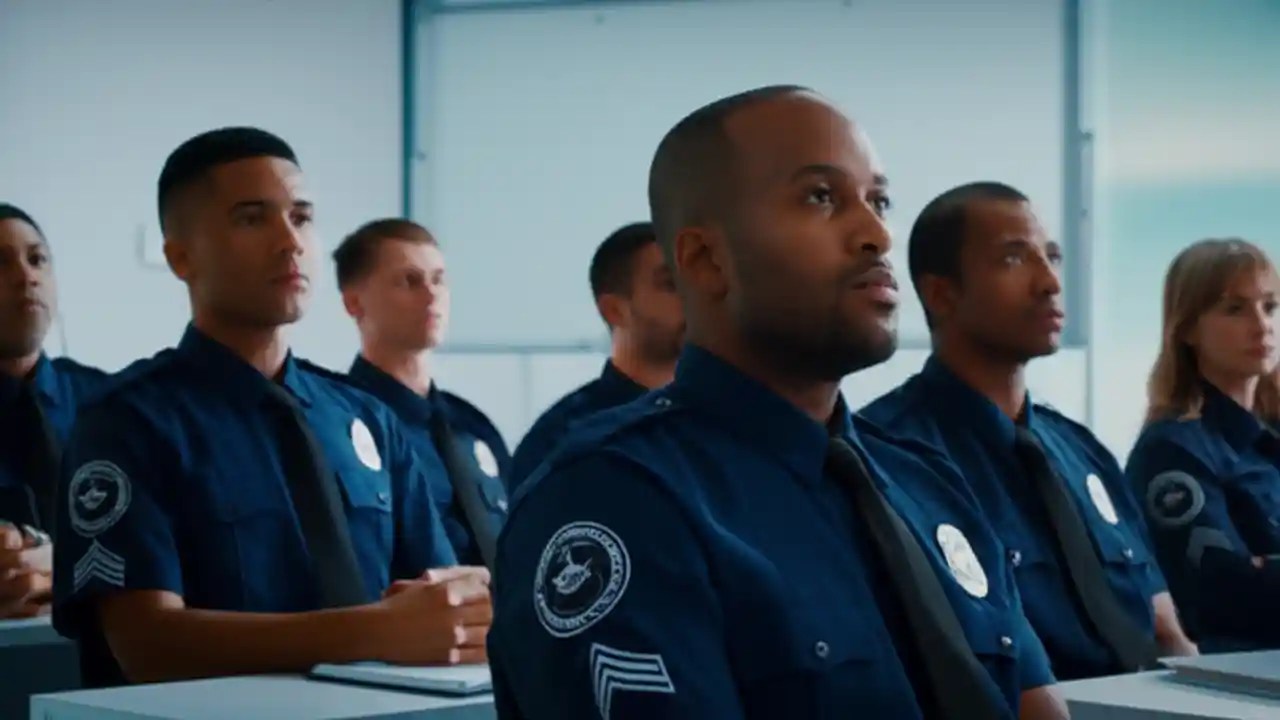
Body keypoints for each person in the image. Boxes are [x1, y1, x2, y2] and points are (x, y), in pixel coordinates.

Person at [489, 87, 1066, 720]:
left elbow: (1035, 705)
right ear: (707, 260)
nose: (876, 235)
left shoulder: (927, 483)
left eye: (878, 201)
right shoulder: (618, 500)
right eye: (821, 197)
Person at [51, 128, 489, 688]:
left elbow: (446, 604)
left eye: (301, 218)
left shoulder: (366, 418)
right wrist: (375, 631)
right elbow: (146, 644)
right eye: (252, 219)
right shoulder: (127, 421)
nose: (290, 241)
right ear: (181, 256)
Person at [861, 182, 1196, 680]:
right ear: (941, 293)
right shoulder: (889, 456)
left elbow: (1166, 630)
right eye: (1014, 259)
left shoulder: (1080, 450)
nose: (1050, 283)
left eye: (1052, 258)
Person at [1126, 238, 1280, 652]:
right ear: (1188, 328)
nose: (1262, 324)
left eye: (1270, 307)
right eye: (1235, 309)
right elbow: (1225, 590)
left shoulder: (1269, 436)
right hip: (1237, 672)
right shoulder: (1173, 450)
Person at [335, 218, 510, 568]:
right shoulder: (342, 426)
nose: (432, 296)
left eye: (438, 280)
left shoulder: (472, 427)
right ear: (354, 303)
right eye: (409, 281)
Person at [507, 222, 684, 491]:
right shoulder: (567, 442)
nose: (693, 300)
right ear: (614, 310)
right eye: (671, 285)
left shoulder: (728, 417)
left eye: (694, 283)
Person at [0, 203, 107, 619]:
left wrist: (67, 563)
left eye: (37, 259)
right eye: (0, 263)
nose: (26, 276)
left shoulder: (113, 404)